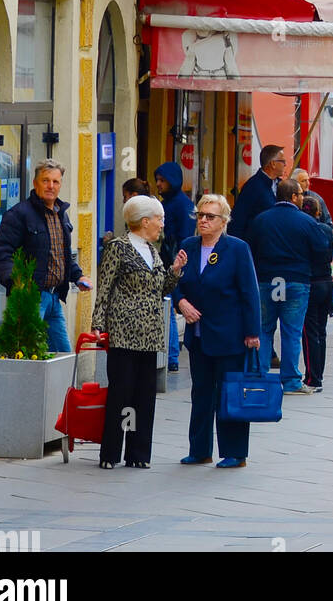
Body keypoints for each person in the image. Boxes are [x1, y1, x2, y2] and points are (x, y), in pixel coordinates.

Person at [91, 196, 187, 468]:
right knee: (121, 392)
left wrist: (175, 271)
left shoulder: (151, 249)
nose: (161, 224)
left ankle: (138, 453)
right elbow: (105, 286)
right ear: (145, 221)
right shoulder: (118, 247)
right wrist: (98, 323)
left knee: (144, 395)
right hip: (124, 331)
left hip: (150, 333)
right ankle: (110, 453)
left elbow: (160, 289)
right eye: (159, 219)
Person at [175, 193, 262, 468]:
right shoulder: (188, 246)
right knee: (201, 392)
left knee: (230, 392)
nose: (203, 220)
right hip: (198, 335)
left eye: (209, 216)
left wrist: (252, 332)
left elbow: (250, 292)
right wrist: (181, 302)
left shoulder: (236, 249)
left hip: (230, 334)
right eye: (200, 215)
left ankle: (235, 452)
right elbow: (175, 279)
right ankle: (199, 449)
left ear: (223, 221)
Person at [0, 161, 91, 353]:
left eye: (55, 181)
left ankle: (61, 386)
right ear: (35, 183)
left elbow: (62, 255)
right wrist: (17, 283)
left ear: (60, 185)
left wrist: (78, 276)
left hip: (54, 298)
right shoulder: (19, 214)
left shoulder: (61, 215)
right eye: (45, 180)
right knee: (27, 355)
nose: (50, 186)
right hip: (31, 297)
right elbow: (0, 251)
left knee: (63, 355)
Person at [246, 177, 333, 394]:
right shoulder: (306, 221)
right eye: (301, 193)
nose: (304, 197)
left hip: (266, 281)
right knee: (292, 332)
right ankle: (291, 380)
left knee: (264, 329)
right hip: (296, 282)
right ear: (293, 196)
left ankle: (259, 376)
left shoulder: (261, 220)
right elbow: (322, 250)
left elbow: (250, 248)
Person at [155, 161, 195, 372]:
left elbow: (182, 239)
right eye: (157, 181)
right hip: (173, 262)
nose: (159, 185)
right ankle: (171, 355)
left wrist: (176, 264)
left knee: (168, 306)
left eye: (163, 180)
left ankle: (171, 356)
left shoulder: (178, 205)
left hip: (173, 264)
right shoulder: (176, 203)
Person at [300, 195, 333, 390]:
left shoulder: (303, 230)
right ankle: (318, 374)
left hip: (310, 282)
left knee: (309, 332)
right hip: (326, 282)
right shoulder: (327, 230)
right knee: (321, 331)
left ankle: (313, 378)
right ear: (318, 212)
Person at [227, 143, 285, 238]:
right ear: (273, 164)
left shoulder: (281, 184)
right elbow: (239, 218)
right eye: (282, 161)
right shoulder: (253, 186)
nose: (285, 165)